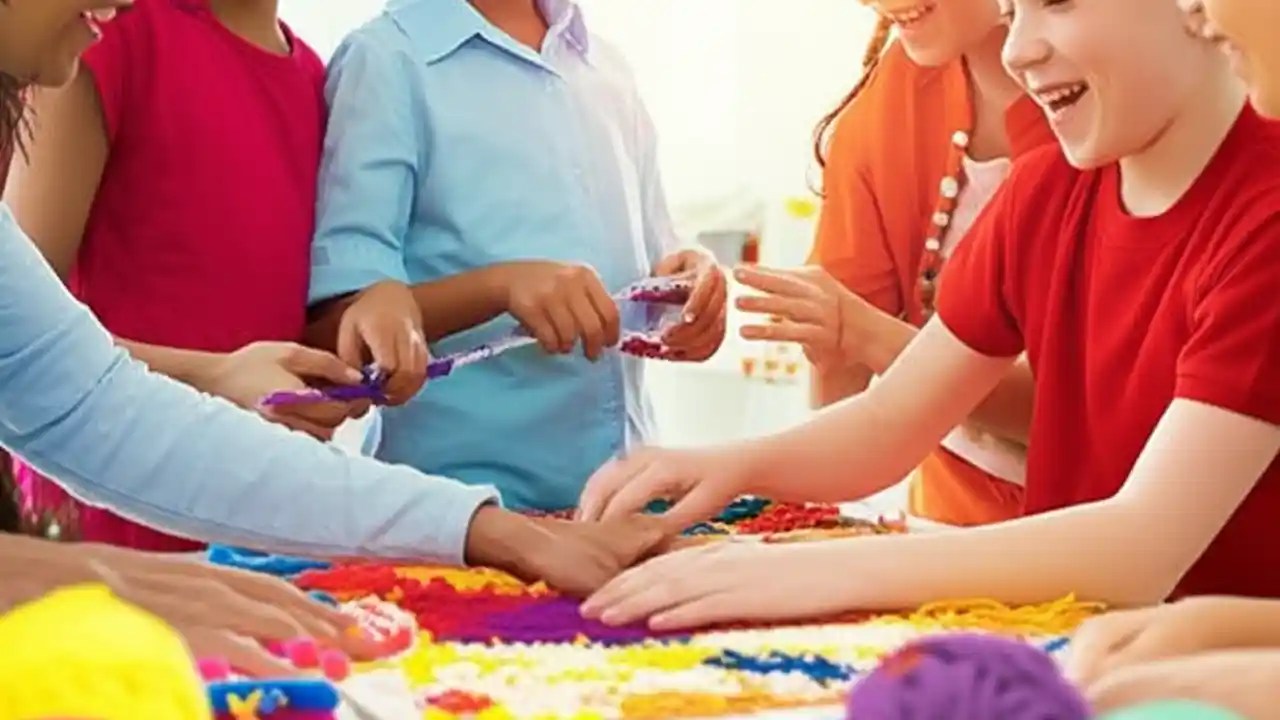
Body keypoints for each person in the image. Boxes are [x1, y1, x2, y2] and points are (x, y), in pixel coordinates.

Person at [576, 0, 1280, 629]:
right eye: (1013, 6)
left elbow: (1141, 549)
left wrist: (810, 572)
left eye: (1057, 3)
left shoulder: (1265, 217)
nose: (1018, 47)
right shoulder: (1045, 191)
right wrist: (723, 465)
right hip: (1079, 651)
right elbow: (889, 425)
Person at [0, 0, 669, 615]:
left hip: (228, 510)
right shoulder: (131, 46)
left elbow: (84, 398)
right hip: (109, 526)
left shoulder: (308, 76)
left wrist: (488, 532)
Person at [304, 0, 728, 512]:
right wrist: (499, 289)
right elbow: (344, 324)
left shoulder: (606, 69)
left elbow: (659, 251)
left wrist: (690, 287)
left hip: (623, 500)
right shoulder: (387, 60)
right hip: (461, 513)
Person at [4, 0, 371, 551]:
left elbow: (283, 315)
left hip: (252, 523)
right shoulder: (96, 35)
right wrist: (215, 376)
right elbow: (20, 340)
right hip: (104, 525)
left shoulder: (318, 79)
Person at [734, 0, 1055, 527]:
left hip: (1130, 549)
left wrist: (866, 335)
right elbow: (843, 401)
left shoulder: (1113, 117)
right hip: (948, 533)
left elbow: (1090, 411)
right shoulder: (891, 99)